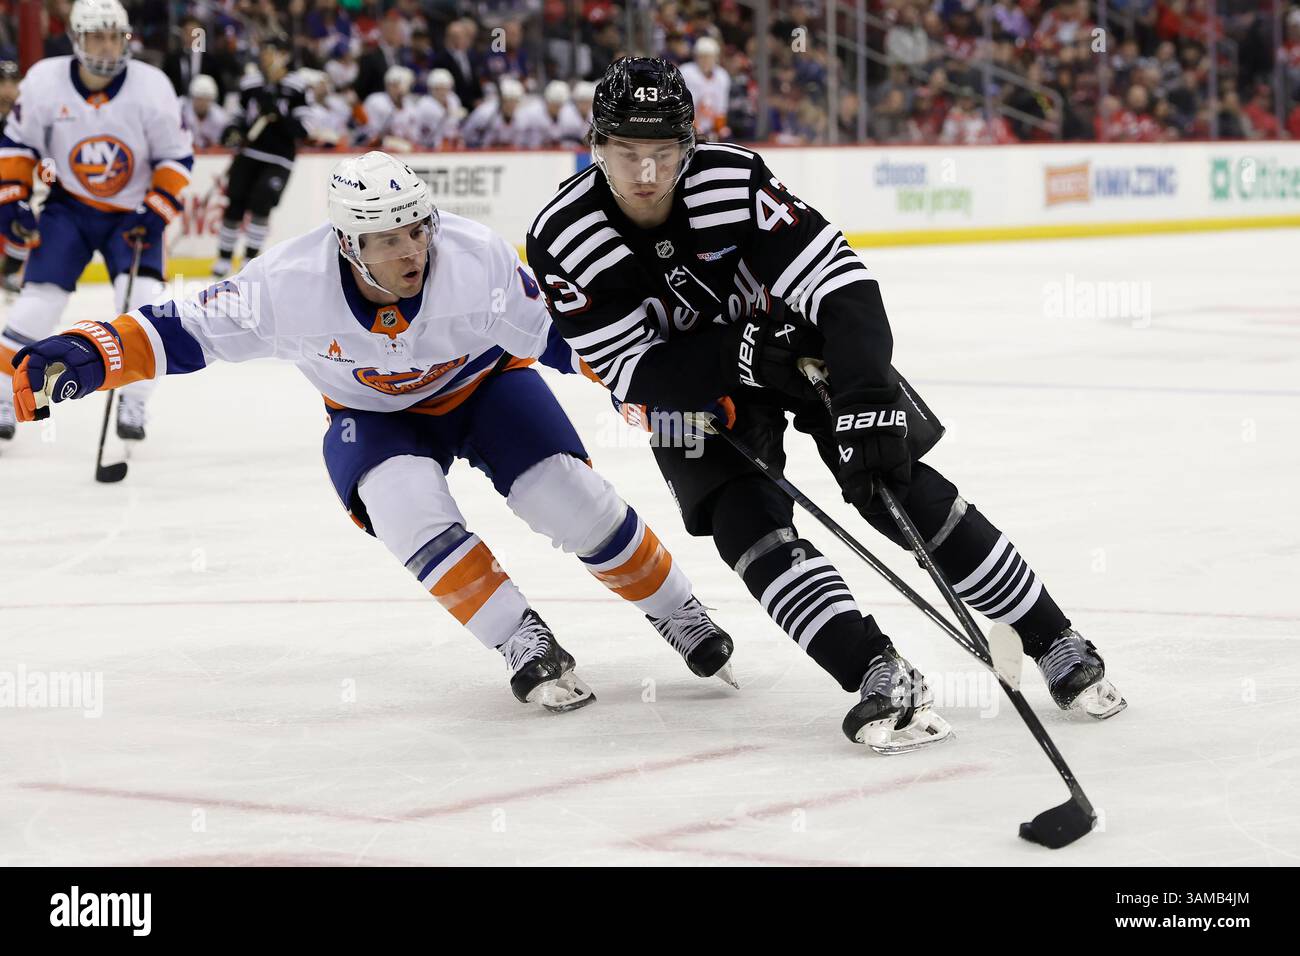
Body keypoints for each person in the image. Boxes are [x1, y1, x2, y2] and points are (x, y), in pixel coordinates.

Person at [526, 58, 1126, 752]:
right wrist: (735, 354)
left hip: (800, 351)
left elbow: (843, 287)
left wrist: (868, 395)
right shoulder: (561, 237)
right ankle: (876, 669)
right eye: (627, 153)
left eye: (663, 153)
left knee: (893, 483)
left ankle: (1054, 638)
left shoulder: (734, 179)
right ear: (595, 145)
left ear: (687, 146)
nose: (647, 174)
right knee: (744, 526)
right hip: (694, 391)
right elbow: (630, 370)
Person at [9, 151, 735, 710]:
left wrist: (652, 393)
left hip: (486, 387)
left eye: (417, 229)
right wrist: (88, 354)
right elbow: (182, 330)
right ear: (349, 245)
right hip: (370, 417)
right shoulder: (288, 286)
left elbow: (564, 338)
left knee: (564, 495)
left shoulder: (475, 258)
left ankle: (680, 612)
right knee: (402, 504)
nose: (413, 251)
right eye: (388, 239)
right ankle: (521, 640)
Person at [0, 0, 192, 442]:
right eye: (96, 36)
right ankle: (4, 396)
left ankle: (134, 402)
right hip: (70, 207)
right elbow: (18, 144)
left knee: (146, 306)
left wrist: (157, 208)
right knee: (38, 300)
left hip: (134, 213)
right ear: (75, 39)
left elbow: (177, 157)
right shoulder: (45, 80)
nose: (107, 46)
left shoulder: (152, 85)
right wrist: (13, 200)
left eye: (115, 35)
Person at [212, 36, 308, 278]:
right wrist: (233, 130)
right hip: (249, 153)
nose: (266, 56)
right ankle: (223, 259)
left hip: (279, 158)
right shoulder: (251, 82)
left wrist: (280, 115)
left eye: (272, 51)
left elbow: (305, 127)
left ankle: (248, 261)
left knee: (261, 205)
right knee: (235, 203)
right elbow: (239, 114)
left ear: (284, 55)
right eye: (264, 50)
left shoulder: (296, 85)